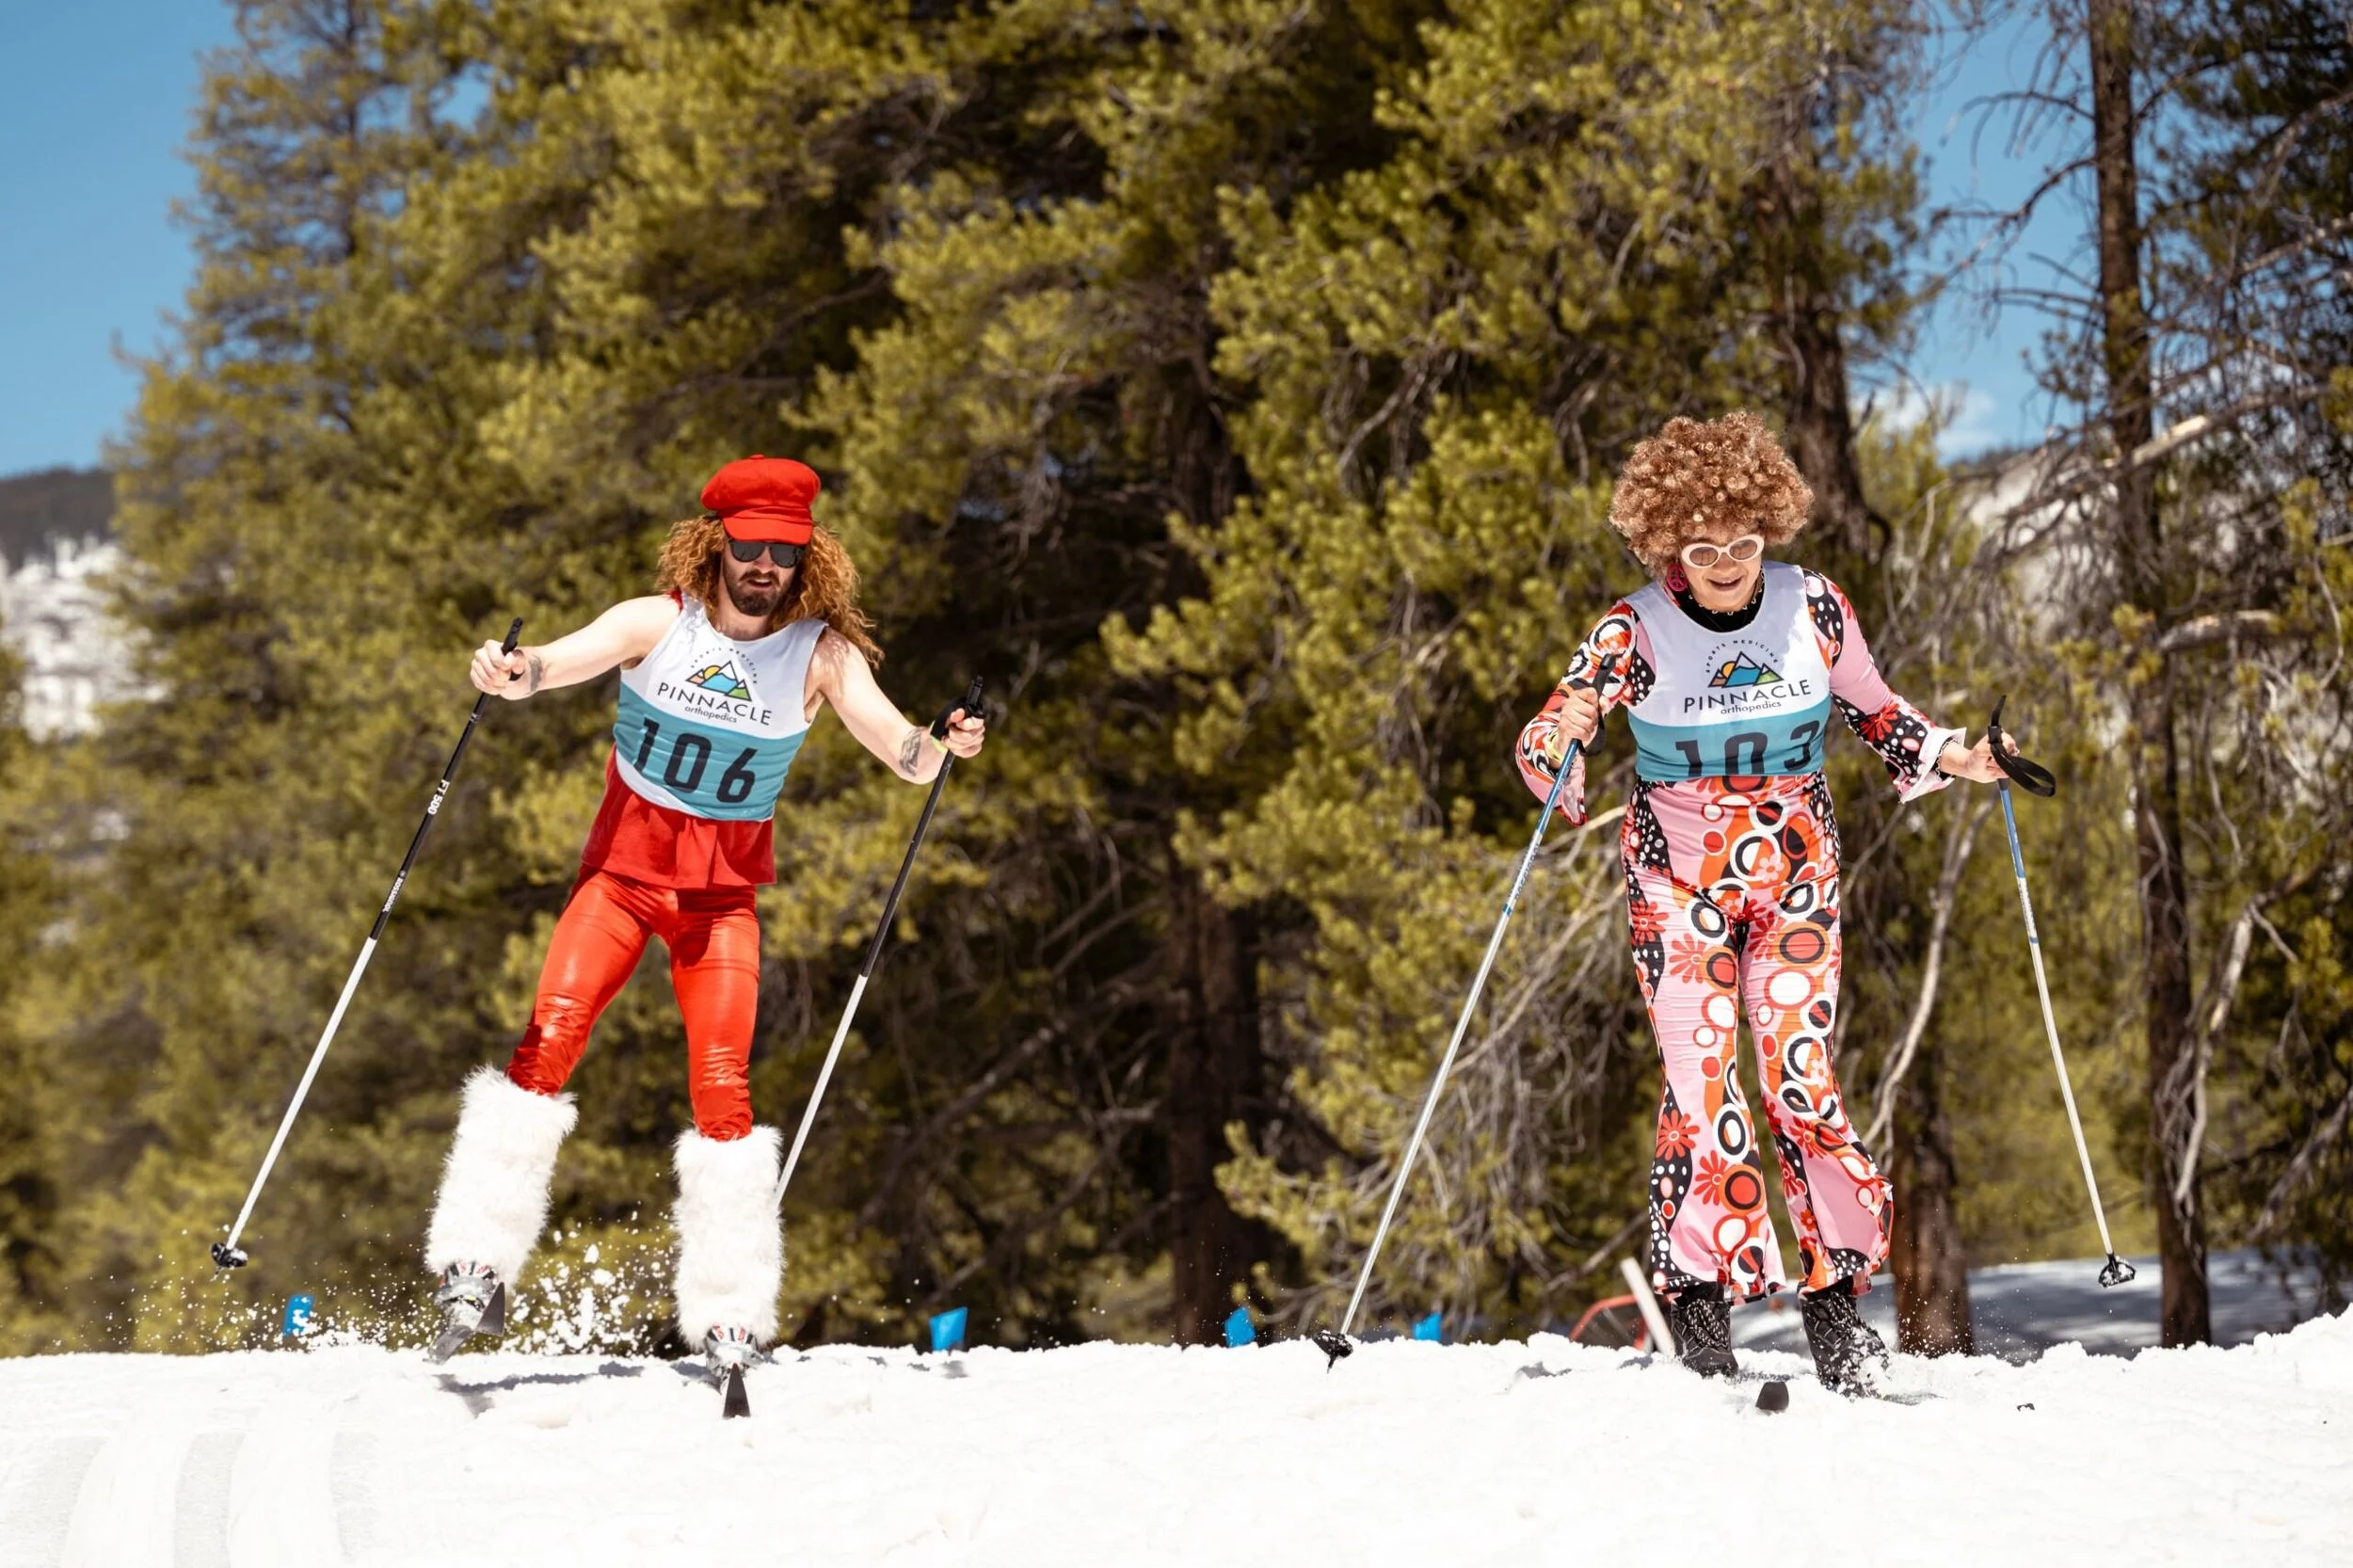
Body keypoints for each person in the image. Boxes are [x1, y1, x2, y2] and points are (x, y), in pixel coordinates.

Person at [422, 455, 984, 1380]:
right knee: (548, 1039)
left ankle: (728, 1311)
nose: (766, 565)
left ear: (808, 559)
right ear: (717, 545)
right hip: (621, 880)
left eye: (785, 552)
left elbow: (904, 754)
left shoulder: (820, 654)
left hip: (721, 903)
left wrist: (943, 740)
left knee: (722, 1086)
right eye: (751, 548)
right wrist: (510, 669)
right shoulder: (658, 622)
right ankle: (475, 1263)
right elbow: (552, 665)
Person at [1514, 412, 2009, 1395]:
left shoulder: (1813, 609)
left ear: (1767, 532)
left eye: (1743, 542)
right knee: (1703, 1086)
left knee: (1798, 1077)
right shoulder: (1632, 631)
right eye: (1702, 548)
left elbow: (1874, 708)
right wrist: (1558, 738)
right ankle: (1701, 1306)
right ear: (1668, 549)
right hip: (1678, 881)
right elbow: (1548, 737)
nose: (1727, 563)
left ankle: (1836, 1310)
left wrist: (1957, 753)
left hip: (1795, 880)